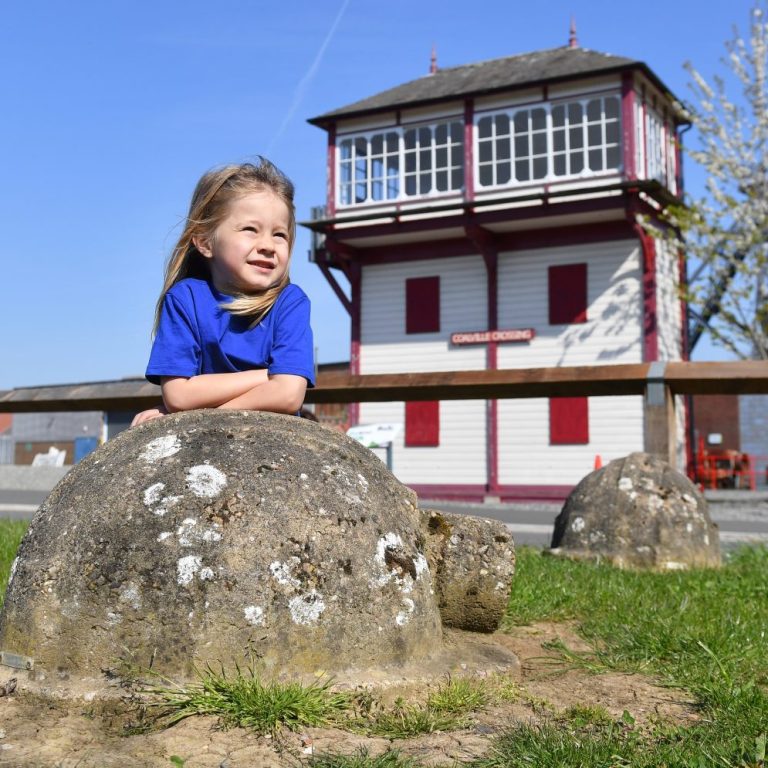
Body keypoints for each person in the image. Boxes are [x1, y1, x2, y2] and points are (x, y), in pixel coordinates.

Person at [131, 158, 314, 427]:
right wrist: (267, 376)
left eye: (280, 235)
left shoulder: (290, 302)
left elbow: (288, 395)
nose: (267, 245)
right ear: (205, 242)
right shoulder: (185, 300)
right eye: (250, 229)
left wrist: (200, 415)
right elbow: (178, 395)